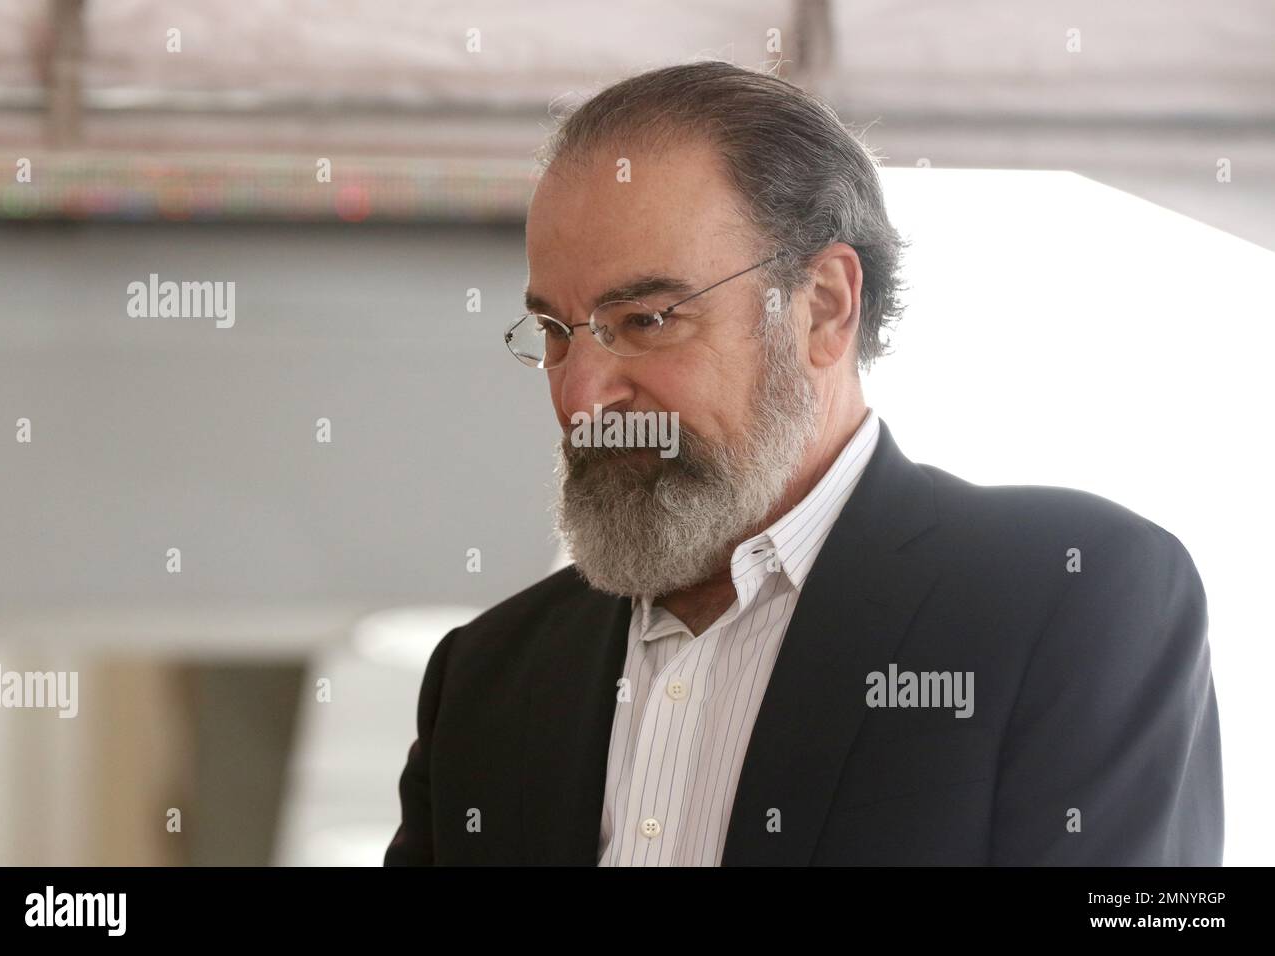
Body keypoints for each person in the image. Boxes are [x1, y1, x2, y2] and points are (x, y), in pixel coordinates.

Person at [385, 60, 1223, 866]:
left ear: (824, 306)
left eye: (644, 320)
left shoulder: (1071, 594)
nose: (583, 397)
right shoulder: (488, 677)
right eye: (557, 333)